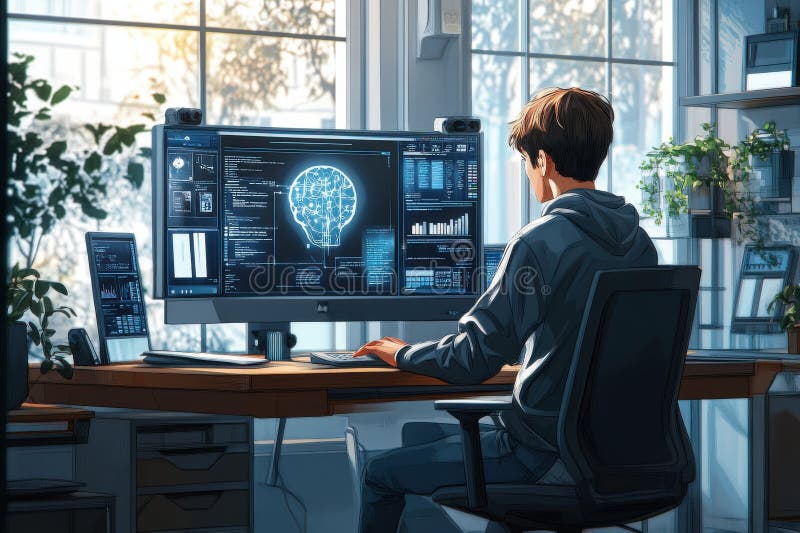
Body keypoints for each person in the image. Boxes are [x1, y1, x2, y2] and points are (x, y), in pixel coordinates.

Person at [353, 87, 658, 533]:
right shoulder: (640, 244)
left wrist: (401, 353)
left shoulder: (539, 241)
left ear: (545, 161)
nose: (527, 172)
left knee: (379, 473)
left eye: (525, 161)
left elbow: (474, 357)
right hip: (622, 459)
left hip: (545, 456)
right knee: (421, 438)